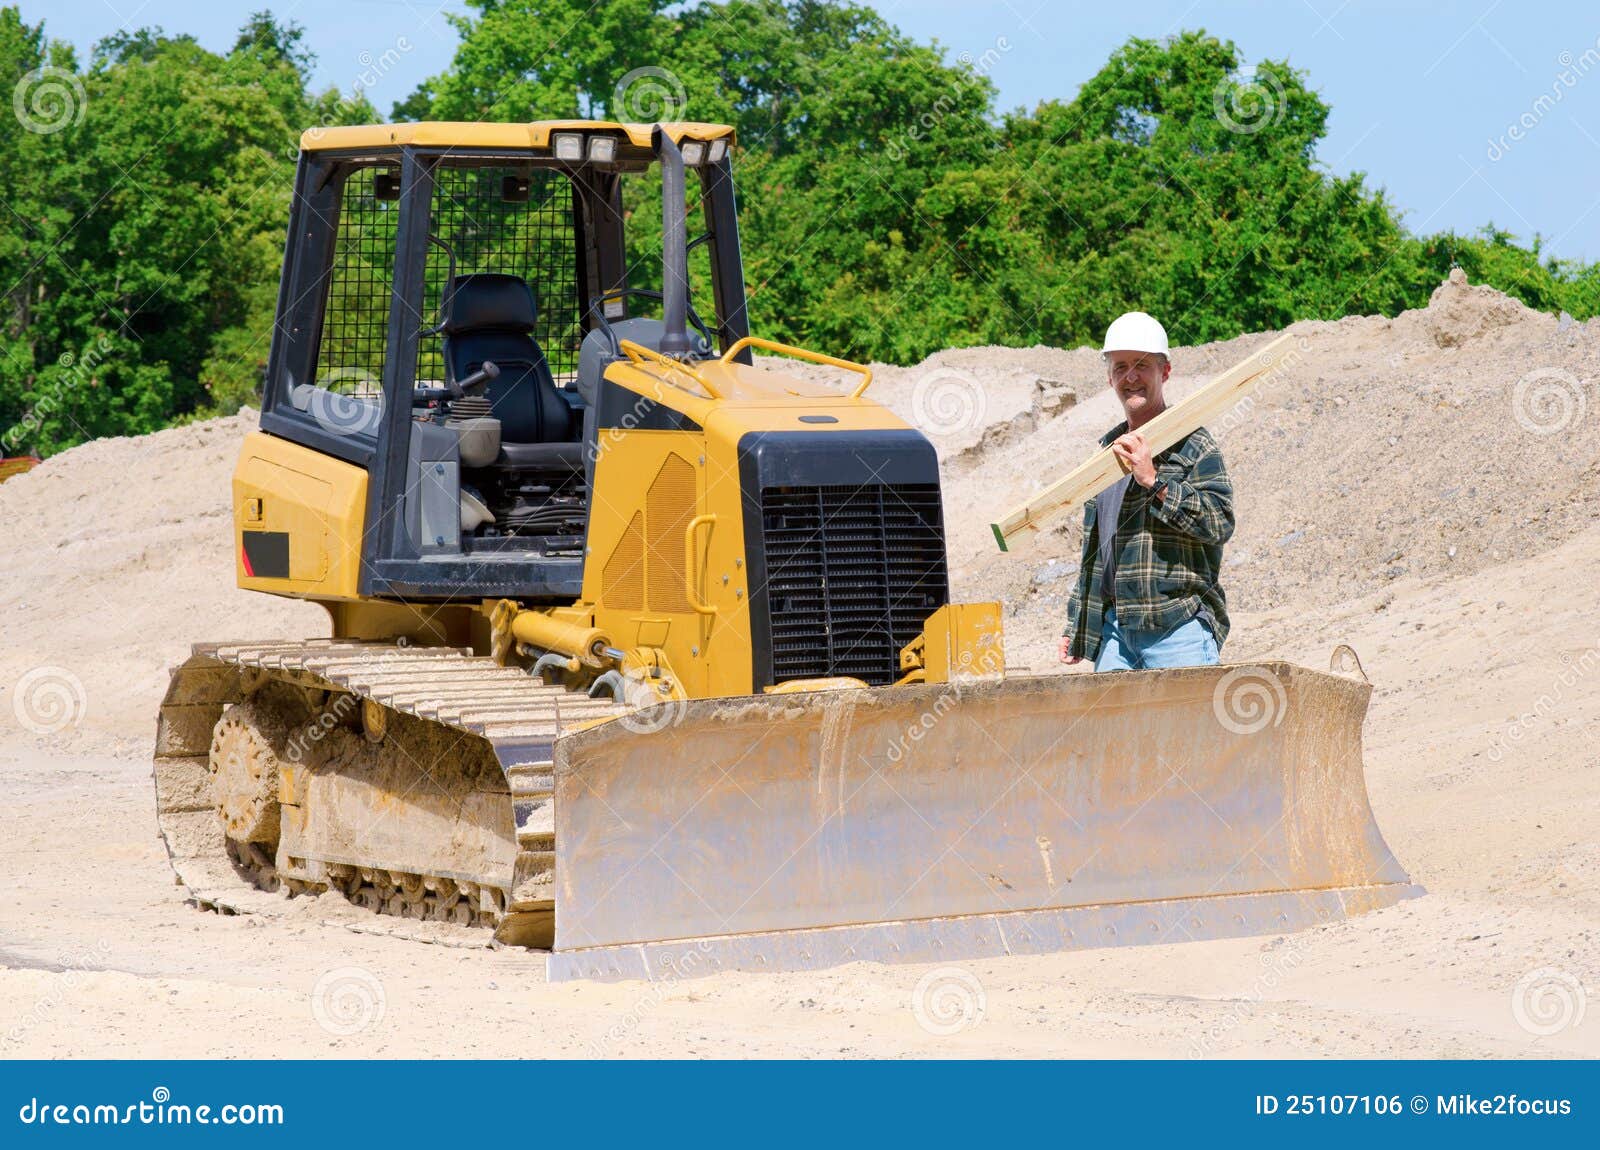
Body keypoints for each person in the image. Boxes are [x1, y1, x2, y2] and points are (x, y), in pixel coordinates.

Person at [1058, 312, 1234, 672]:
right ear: (1110, 378)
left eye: (1142, 366)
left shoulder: (1194, 444)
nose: (1131, 377)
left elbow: (1220, 524)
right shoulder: (1106, 455)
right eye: (1121, 367)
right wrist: (1077, 625)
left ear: (1164, 372)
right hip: (1116, 633)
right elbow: (1095, 552)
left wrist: (1155, 482)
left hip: (1178, 628)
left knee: (1190, 712)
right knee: (1108, 713)